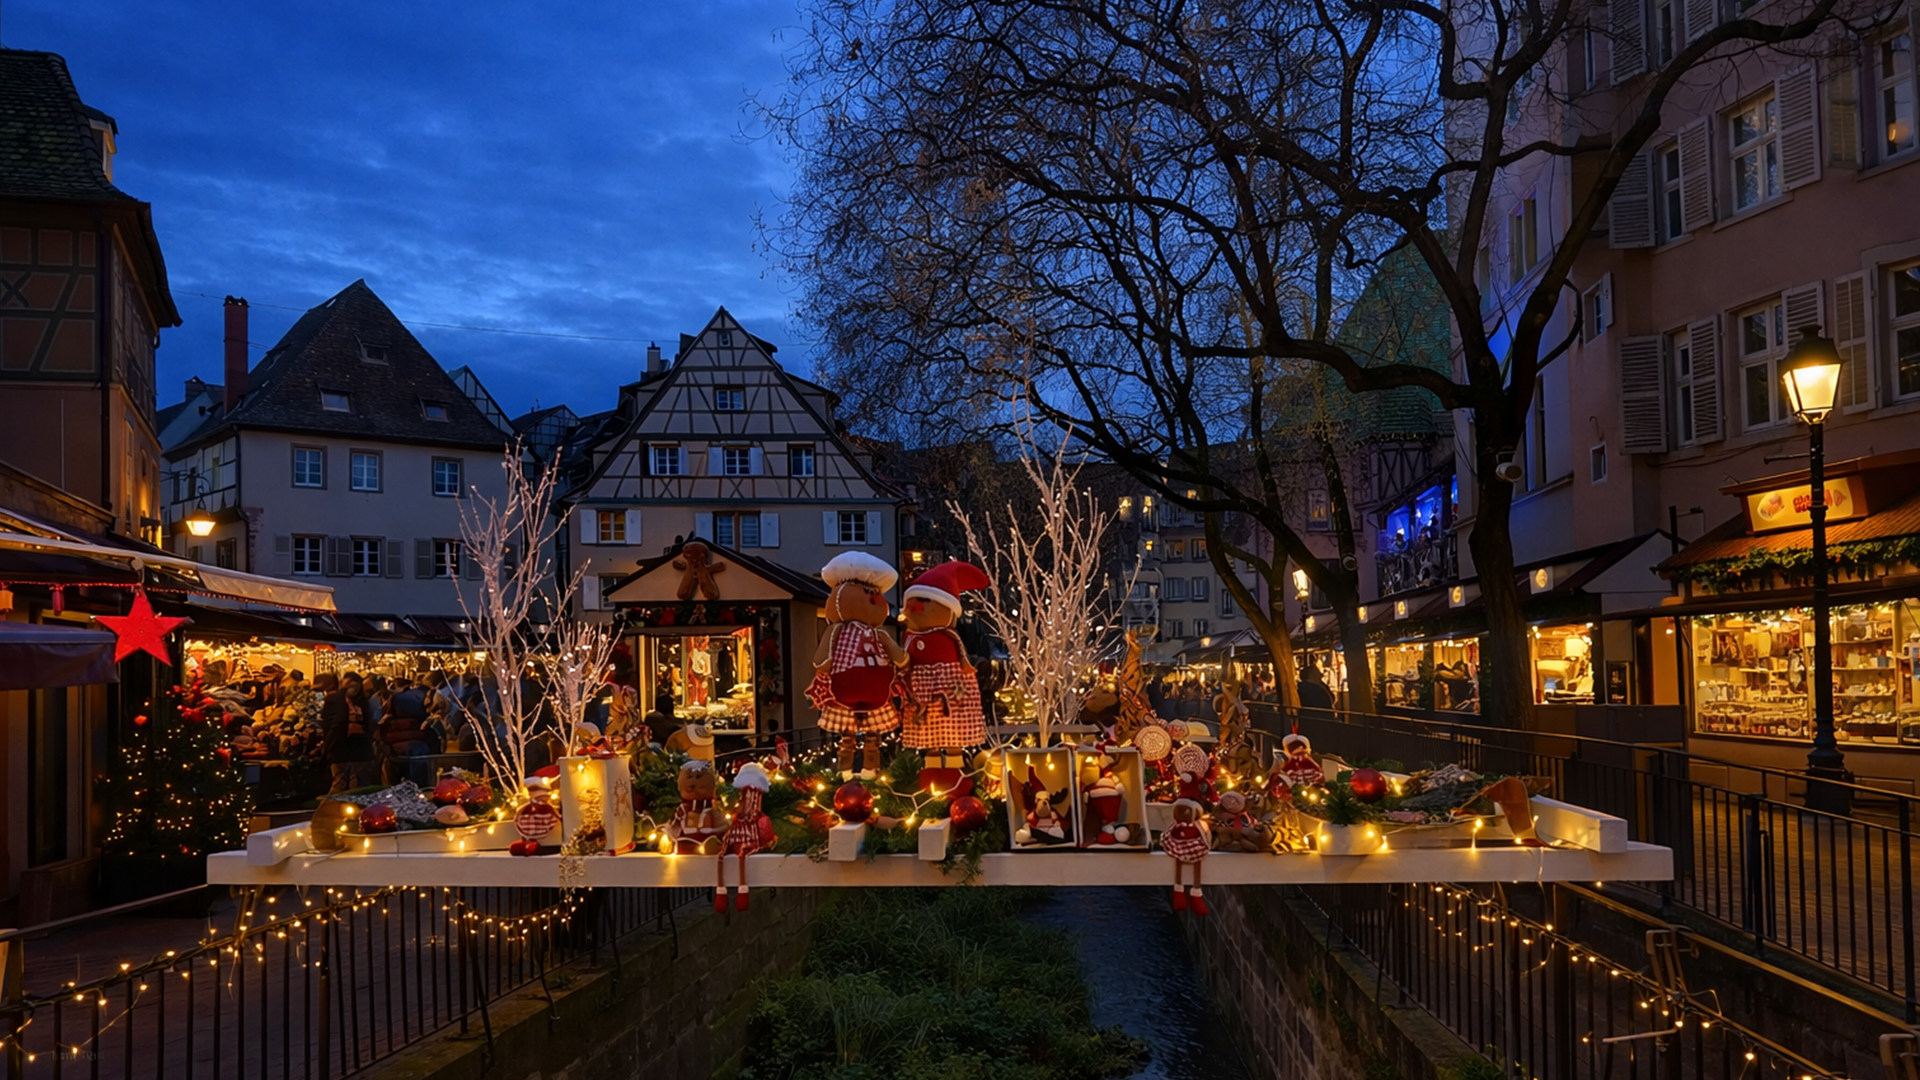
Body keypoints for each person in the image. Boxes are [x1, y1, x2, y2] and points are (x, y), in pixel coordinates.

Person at [322, 673, 376, 792]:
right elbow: (330, 723)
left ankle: (356, 808)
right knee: (340, 783)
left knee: (359, 784)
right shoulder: (334, 701)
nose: (353, 690)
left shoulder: (363, 702)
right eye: (349, 687)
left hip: (360, 747)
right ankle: (332, 808)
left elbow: (369, 722)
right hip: (340, 746)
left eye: (356, 687)